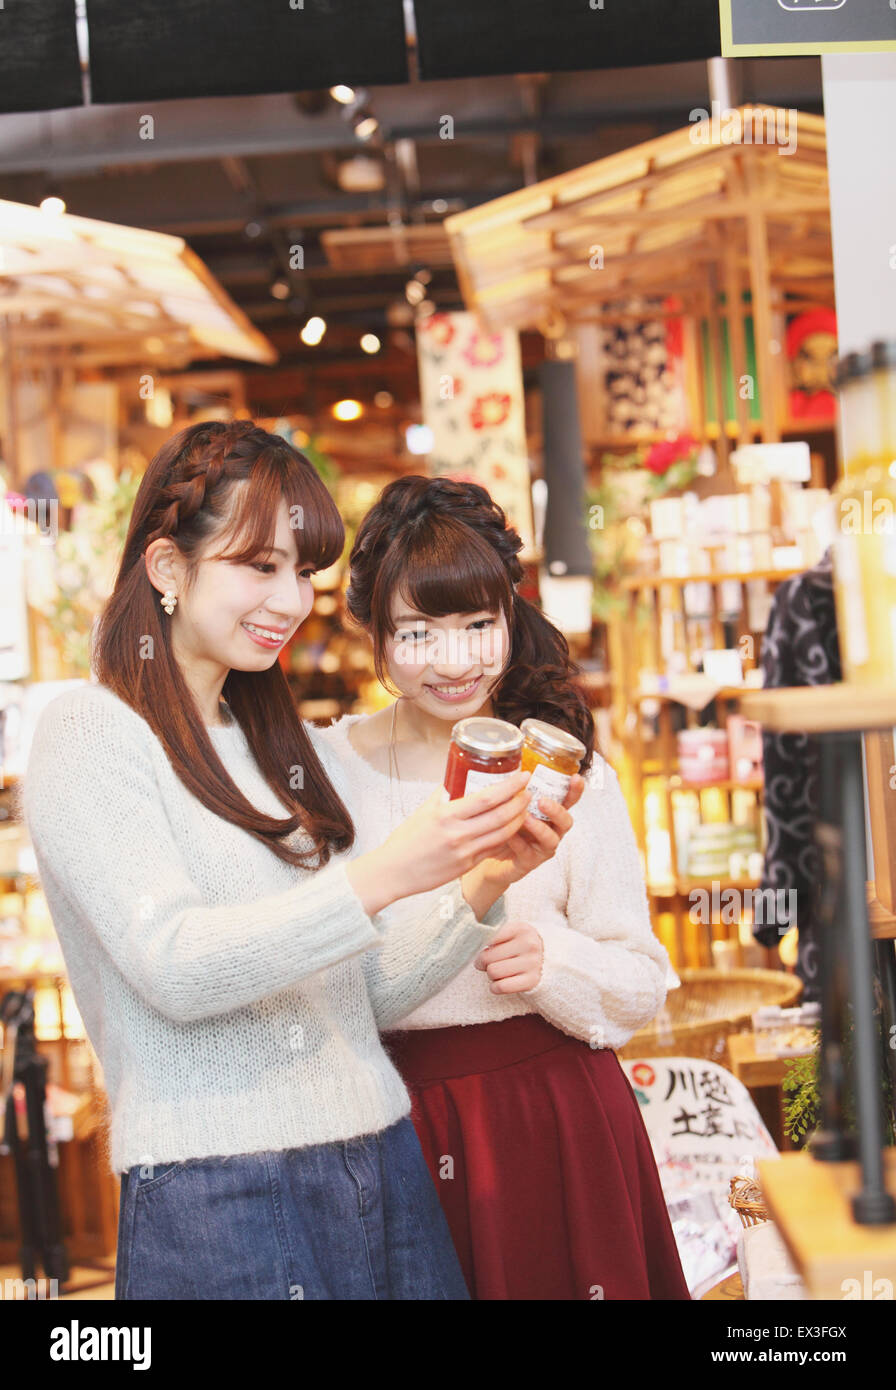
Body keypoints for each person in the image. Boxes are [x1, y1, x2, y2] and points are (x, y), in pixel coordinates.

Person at [22, 421, 581, 1301]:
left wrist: (483, 880)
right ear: (168, 569)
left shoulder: (270, 745)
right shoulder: (89, 734)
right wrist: (385, 872)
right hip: (221, 1192)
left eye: (306, 570)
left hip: (380, 1161)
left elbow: (360, 996)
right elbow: (174, 963)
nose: (290, 598)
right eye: (260, 565)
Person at [317, 474, 691, 1301]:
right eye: (417, 631)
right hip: (395, 1130)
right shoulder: (326, 772)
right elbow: (313, 975)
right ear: (374, 635)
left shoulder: (562, 768)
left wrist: (554, 962)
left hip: (559, 1126)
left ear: (508, 619)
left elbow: (642, 983)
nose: (454, 661)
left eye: (479, 624)